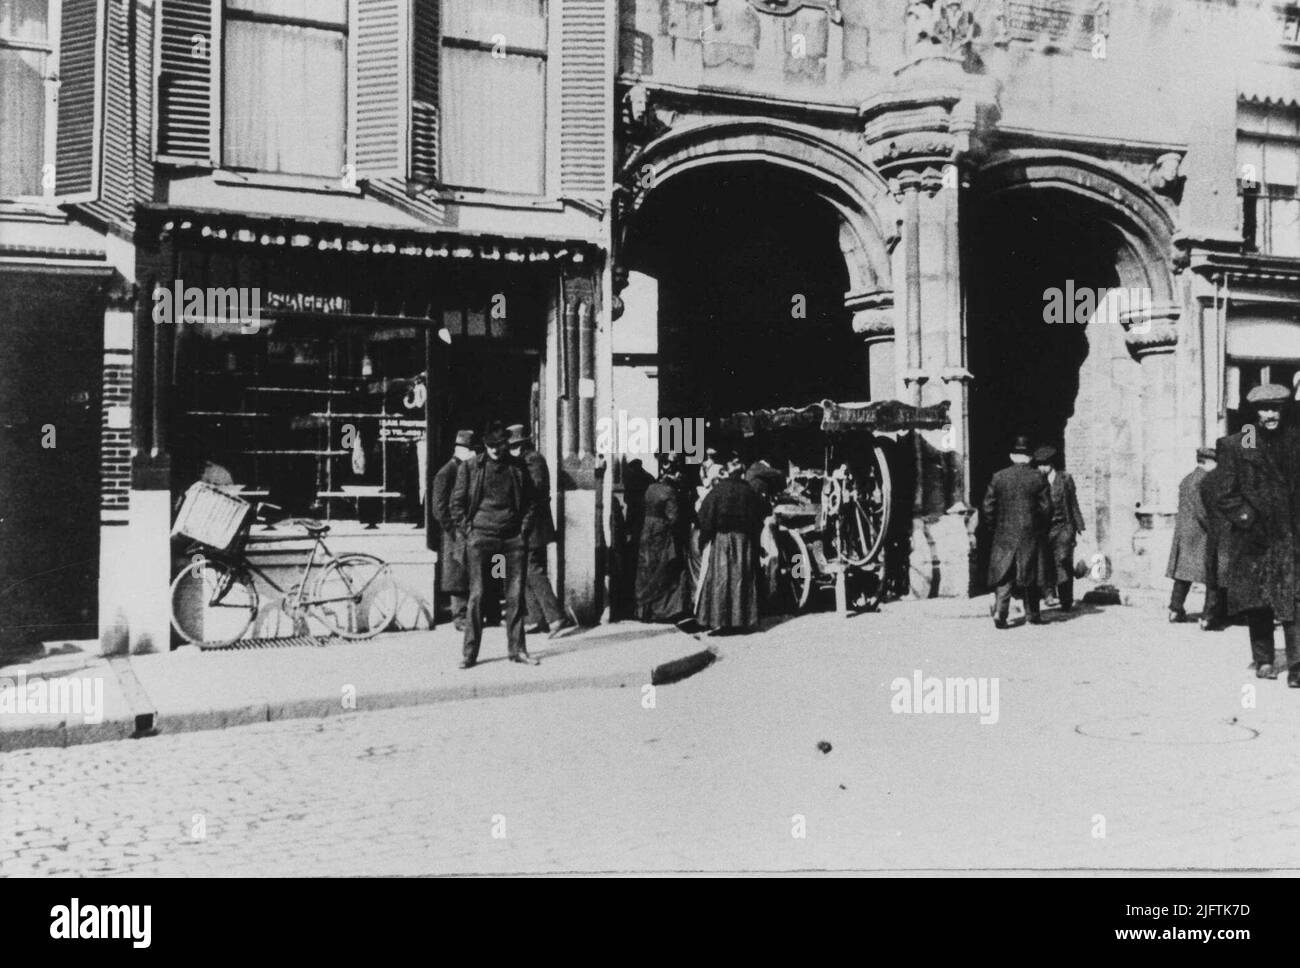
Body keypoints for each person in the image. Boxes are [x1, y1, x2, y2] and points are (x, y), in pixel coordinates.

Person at [1215, 384, 1300, 685]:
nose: (1270, 415)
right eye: (1264, 409)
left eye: (1275, 408)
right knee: (1260, 601)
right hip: (1256, 537)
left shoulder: (1294, 440)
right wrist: (1249, 520)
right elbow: (1224, 494)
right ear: (1254, 413)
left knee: (1295, 599)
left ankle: (1297, 667)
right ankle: (1264, 659)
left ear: (1284, 409)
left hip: (1292, 533)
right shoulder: (1241, 444)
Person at [450, 422, 538, 669]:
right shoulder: (470, 468)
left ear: (506, 445)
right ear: (484, 446)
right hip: (481, 538)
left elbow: (532, 502)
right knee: (477, 595)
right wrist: (470, 532)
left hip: (512, 540)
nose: (496, 451)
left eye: (500, 446)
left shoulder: (518, 468)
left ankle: (517, 650)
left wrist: (522, 531)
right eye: (491, 446)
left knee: (515, 596)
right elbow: (455, 505)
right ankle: (469, 654)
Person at [507, 424, 576, 638]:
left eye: (514, 446)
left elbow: (534, 490)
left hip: (534, 525)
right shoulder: (523, 461)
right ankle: (535, 618)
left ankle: (556, 617)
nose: (512, 450)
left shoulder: (533, 459)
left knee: (533, 569)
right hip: (527, 525)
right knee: (524, 570)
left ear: (521, 445)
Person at [982, 435, 1051, 629]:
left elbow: (988, 507)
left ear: (1012, 456)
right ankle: (1032, 614)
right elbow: (1047, 508)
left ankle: (1000, 612)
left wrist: (994, 527)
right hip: (1030, 534)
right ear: (1030, 458)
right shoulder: (1038, 477)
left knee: (1004, 574)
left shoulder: (999, 477)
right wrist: (1040, 528)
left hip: (1004, 534)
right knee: (1031, 574)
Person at [694, 453, 767, 633]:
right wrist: (755, 541)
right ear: (741, 473)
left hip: (722, 539)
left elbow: (706, 516)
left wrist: (704, 538)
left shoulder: (718, 491)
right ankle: (741, 620)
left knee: (721, 579)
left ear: (727, 473)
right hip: (744, 541)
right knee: (741, 579)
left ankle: (720, 621)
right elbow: (759, 517)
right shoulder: (749, 491)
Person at [635, 455, 691, 622]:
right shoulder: (670, 492)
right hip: (662, 532)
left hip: (647, 530)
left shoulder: (650, 488)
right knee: (664, 569)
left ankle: (644, 610)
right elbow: (674, 517)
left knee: (646, 569)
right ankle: (663, 611)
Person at [1166, 446, 1217, 624]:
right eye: (1215, 462)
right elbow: (1202, 511)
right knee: (1213, 573)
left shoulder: (1187, 479)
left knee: (1183, 574)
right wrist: (1215, 530)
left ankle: (1175, 609)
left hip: (1185, 534)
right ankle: (1208, 616)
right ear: (1208, 462)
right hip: (1200, 535)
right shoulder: (1205, 480)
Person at [431, 430, 475, 631]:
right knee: (456, 575)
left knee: (467, 572)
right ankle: (459, 617)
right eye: (473, 450)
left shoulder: (465, 469)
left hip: (464, 530)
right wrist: (453, 531)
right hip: (453, 534)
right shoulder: (446, 472)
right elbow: (438, 508)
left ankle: (472, 614)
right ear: (463, 450)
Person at [1033, 445, 1085, 612]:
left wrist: (1080, 526)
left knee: (1063, 560)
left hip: (1063, 527)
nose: (1041, 468)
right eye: (1039, 464)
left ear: (1051, 464)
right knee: (1045, 562)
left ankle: (1066, 598)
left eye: (1044, 464)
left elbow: (1073, 503)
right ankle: (1048, 594)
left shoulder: (1065, 479)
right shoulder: (1035, 480)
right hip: (1044, 529)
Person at [1198, 441, 1232, 631]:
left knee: (1214, 577)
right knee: (1228, 574)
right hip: (1229, 533)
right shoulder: (1230, 479)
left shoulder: (1206, 481)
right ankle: (1222, 615)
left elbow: (1204, 510)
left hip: (1214, 532)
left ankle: (1209, 616)